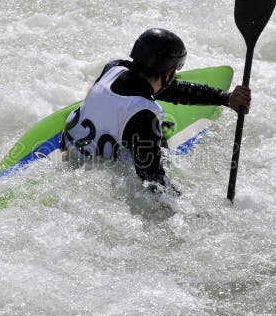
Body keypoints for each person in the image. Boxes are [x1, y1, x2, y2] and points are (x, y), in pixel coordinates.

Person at [61, 28, 251, 194]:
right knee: (160, 143)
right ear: (168, 73)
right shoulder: (144, 115)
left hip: (68, 150)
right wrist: (185, 209)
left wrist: (224, 98)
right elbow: (151, 181)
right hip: (94, 175)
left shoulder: (113, 68)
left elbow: (172, 90)